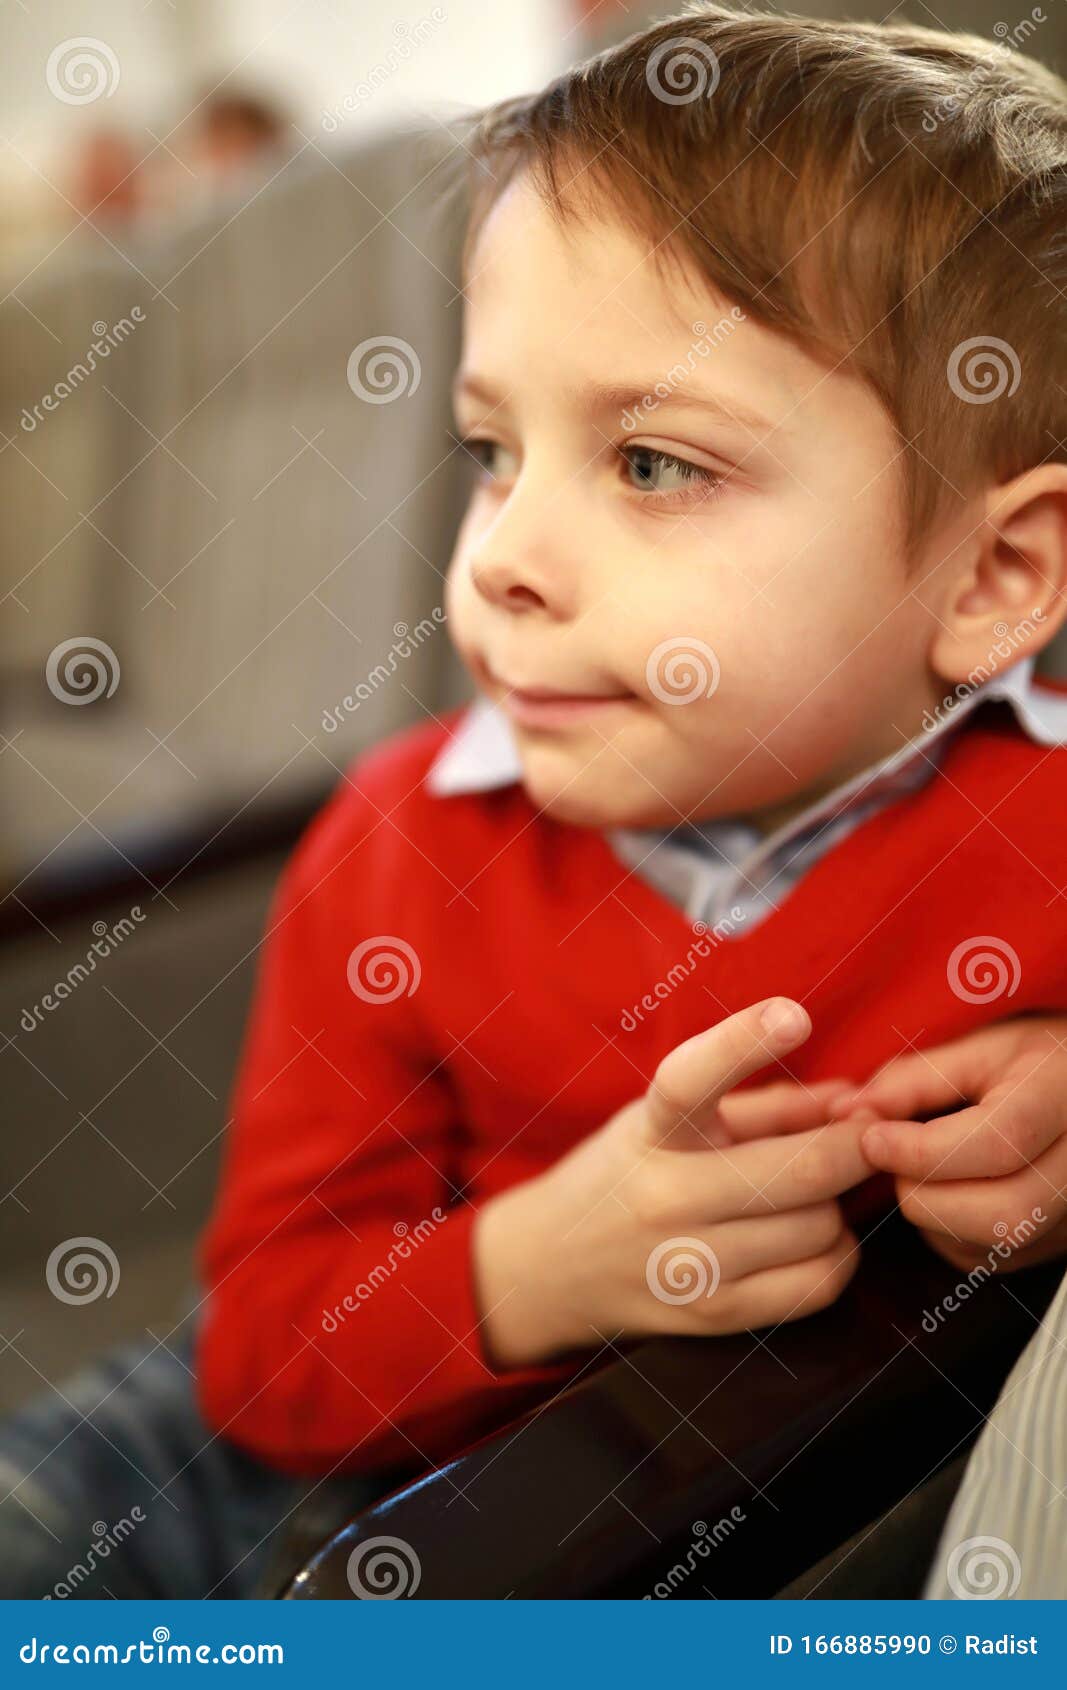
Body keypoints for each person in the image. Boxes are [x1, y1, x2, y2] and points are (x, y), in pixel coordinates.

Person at [3, 3, 1067, 1599]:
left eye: (651, 464)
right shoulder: (392, 844)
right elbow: (268, 1356)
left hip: (575, 1512)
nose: (498, 554)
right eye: (492, 449)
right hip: (294, 1435)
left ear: (993, 576)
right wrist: (546, 1260)